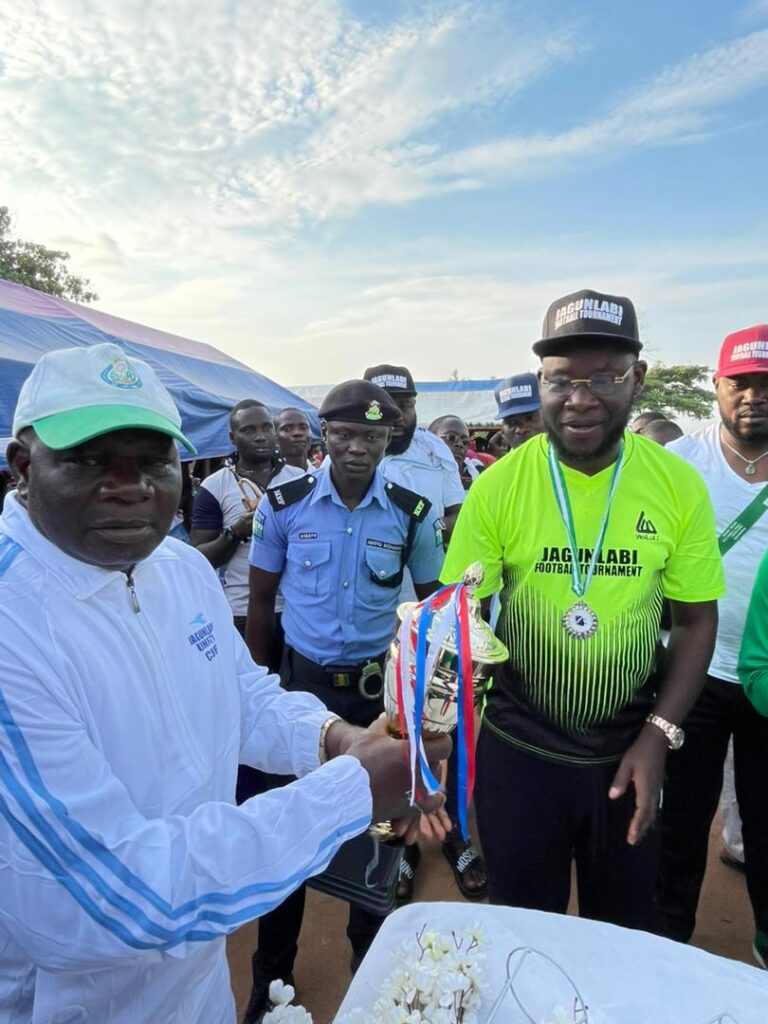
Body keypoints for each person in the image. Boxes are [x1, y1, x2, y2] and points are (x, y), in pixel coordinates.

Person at [0, 345, 449, 1024]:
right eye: (90, 459)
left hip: (198, 979)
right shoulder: (14, 623)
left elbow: (239, 695)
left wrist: (336, 738)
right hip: (75, 1005)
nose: (129, 484)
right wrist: (354, 788)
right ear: (23, 468)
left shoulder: (177, 568)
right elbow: (124, 899)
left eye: (152, 459)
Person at [441, 287, 724, 931]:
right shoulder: (498, 486)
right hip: (519, 754)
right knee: (523, 934)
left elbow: (695, 620)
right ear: (540, 380)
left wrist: (660, 736)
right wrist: (435, 728)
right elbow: (459, 620)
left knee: (620, 937)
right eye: (561, 379)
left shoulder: (678, 485)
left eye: (605, 377)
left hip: (628, 757)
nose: (581, 397)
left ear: (638, 379)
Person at [243, 379, 446, 1020]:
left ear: (391, 439)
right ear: (325, 435)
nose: (358, 448)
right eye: (346, 434)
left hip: (373, 700)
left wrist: (419, 706)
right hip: (298, 690)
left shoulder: (412, 513)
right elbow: (259, 602)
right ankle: (269, 978)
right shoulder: (285, 504)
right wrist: (257, 690)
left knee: (378, 837)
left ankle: (367, 974)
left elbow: (434, 609)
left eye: (373, 436)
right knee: (284, 836)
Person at [655, 324, 768, 967]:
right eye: (741, 382)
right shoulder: (680, 463)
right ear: (718, 387)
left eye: (766, 383)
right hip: (689, 672)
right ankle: (669, 939)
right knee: (681, 817)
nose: (754, 395)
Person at [362, 365, 487, 903]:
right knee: (395, 738)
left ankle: (456, 835)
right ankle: (404, 848)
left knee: (446, 731)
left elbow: (460, 517)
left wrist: (452, 611)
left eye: (404, 403)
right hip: (383, 622)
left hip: (437, 620)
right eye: (385, 405)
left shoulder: (438, 453)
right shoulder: (360, 453)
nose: (396, 416)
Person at [190, 401, 302, 640]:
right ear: (233, 437)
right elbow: (200, 558)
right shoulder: (214, 486)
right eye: (249, 430)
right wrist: (235, 532)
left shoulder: (301, 479)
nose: (260, 436)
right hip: (242, 609)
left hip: (299, 607)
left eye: (266, 428)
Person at [429, 414, 486, 489]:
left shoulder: (479, 473)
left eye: (465, 441)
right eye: (451, 437)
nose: (460, 444)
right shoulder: (414, 478)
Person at [493, 372, 544, 450]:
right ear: (502, 429)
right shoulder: (506, 462)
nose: (521, 430)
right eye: (512, 423)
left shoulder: (567, 460)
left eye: (530, 418)